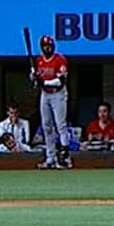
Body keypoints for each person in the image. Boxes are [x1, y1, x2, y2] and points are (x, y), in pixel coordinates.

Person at [31, 35, 71, 169]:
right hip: (45, 94)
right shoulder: (39, 60)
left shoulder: (60, 60)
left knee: (61, 125)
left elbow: (61, 81)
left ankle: (65, 157)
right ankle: (50, 157)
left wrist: (44, 82)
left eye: (49, 46)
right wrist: (34, 78)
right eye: (45, 46)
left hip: (58, 94)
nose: (47, 48)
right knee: (46, 126)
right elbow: (37, 81)